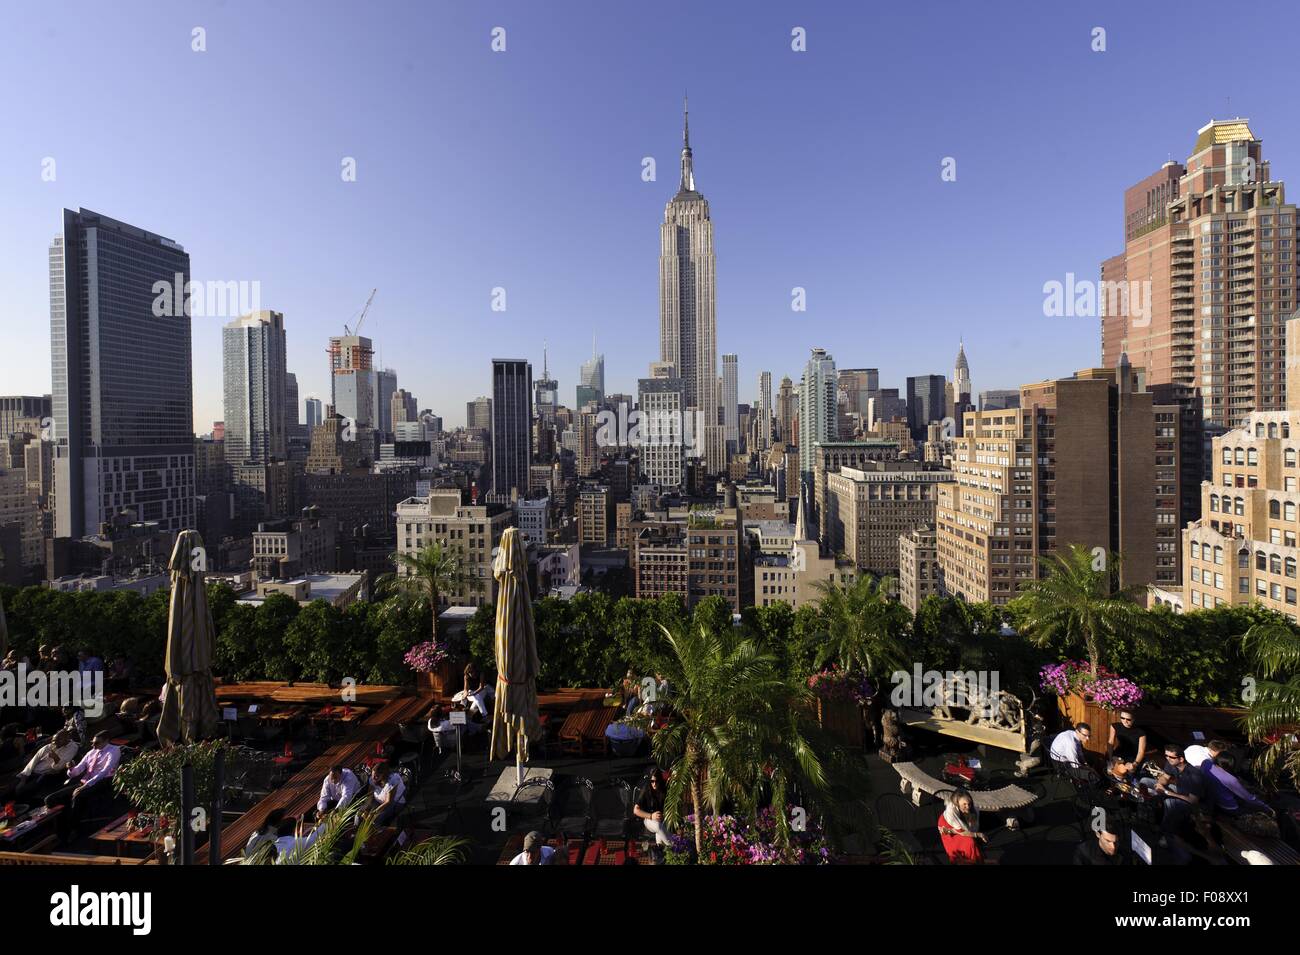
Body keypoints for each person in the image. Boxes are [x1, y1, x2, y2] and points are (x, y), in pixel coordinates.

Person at [44, 730, 122, 842]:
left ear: (106, 741)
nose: (93, 745)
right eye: (93, 743)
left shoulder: (114, 750)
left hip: (103, 781)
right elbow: (77, 771)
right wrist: (70, 768)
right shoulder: (91, 752)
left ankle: (73, 829)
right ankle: (63, 824)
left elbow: (105, 771)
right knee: (50, 799)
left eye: (97, 743)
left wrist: (86, 786)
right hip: (85, 781)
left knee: (78, 796)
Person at [10, 730, 79, 800]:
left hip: (47, 775)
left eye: (58, 740)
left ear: (67, 738)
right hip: (32, 773)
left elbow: (59, 767)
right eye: (54, 740)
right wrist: (23, 779)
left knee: (23, 791)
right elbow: (32, 762)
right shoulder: (48, 747)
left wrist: (55, 758)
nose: (55, 743)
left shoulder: (72, 747)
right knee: (11, 788)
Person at [1156, 744, 1206, 837]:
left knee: (1170, 802)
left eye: (1171, 757)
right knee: (1145, 781)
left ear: (1181, 759)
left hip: (1190, 804)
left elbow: (1193, 800)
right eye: (1166, 755)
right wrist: (1160, 784)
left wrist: (1167, 792)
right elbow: (1165, 777)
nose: (1168, 758)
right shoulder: (1171, 763)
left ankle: (1165, 832)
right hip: (1178, 792)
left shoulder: (1195, 775)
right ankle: (1151, 815)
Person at [1205, 751, 1271, 818]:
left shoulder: (1206, 764)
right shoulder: (1230, 779)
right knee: (1255, 809)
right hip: (1228, 807)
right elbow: (1248, 798)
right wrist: (1265, 807)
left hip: (1209, 798)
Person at [937, 788, 986, 864]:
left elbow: (973, 829)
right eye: (964, 804)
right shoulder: (951, 811)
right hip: (946, 825)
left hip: (955, 830)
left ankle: (975, 861)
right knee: (969, 842)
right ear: (957, 804)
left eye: (969, 803)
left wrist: (974, 833)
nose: (968, 806)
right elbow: (962, 832)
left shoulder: (974, 810)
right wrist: (979, 835)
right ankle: (972, 861)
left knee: (971, 842)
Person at [633, 769, 671, 846]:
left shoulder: (665, 788)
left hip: (664, 818)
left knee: (661, 831)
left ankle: (660, 848)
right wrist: (651, 816)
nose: (654, 784)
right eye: (652, 781)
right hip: (649, 819)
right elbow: (635, 810)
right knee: (658, 826)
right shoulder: (646, 790)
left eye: (657, 781)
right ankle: (673, 847)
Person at [369, 761, 405, 826]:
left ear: (384, 775)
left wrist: (374, 812)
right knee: (365, 811)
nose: (373, 778)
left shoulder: (392, 781)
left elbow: (388, 801)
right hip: (379, 800)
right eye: (373, 775)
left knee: (377, 819)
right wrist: (365, 806)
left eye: (377, 776)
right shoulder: (373, 779)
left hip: (393, 803)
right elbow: (370, 794)